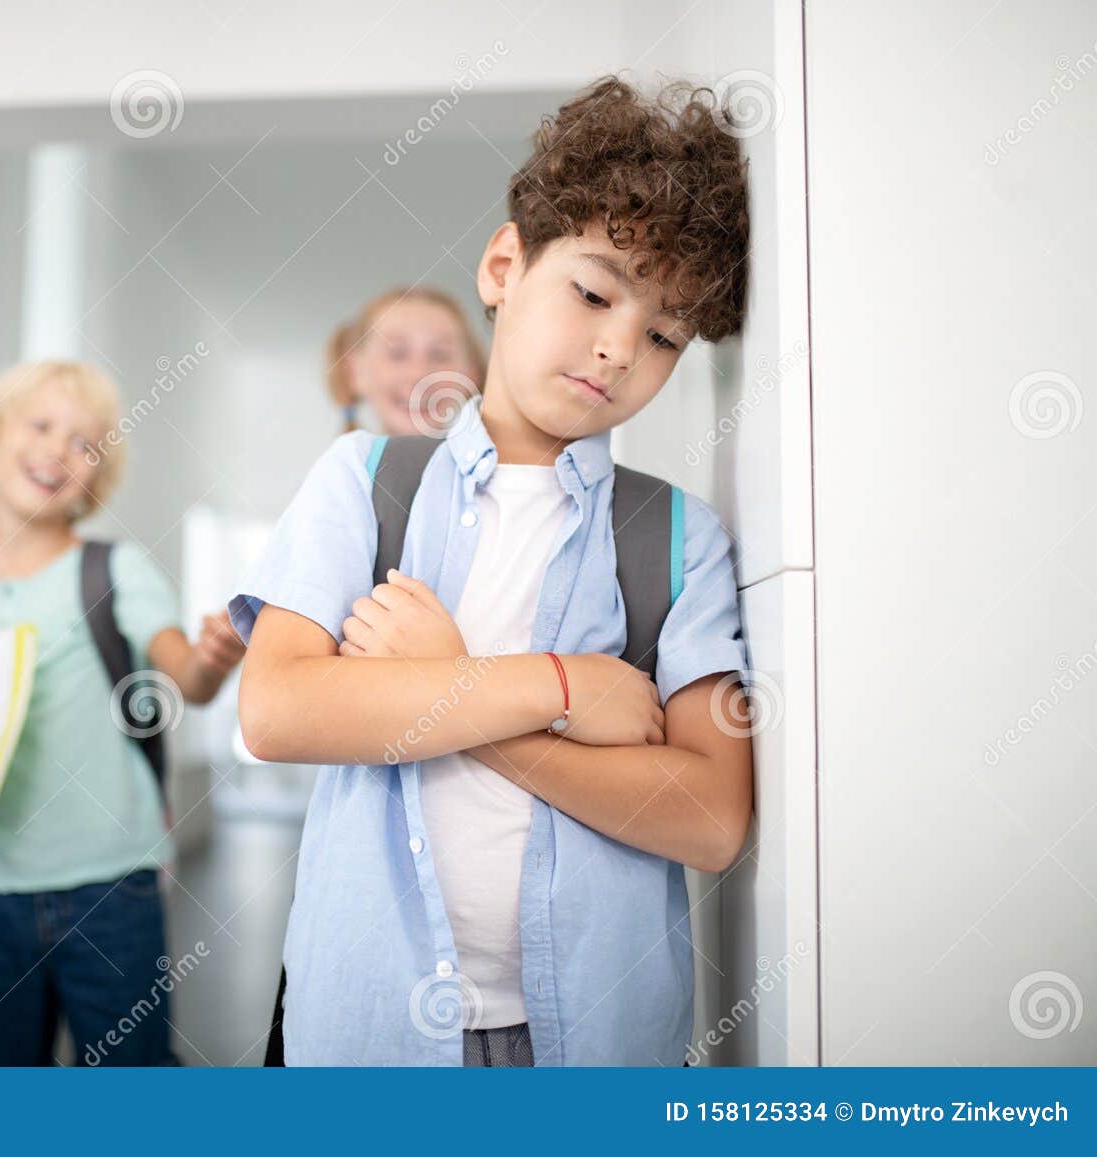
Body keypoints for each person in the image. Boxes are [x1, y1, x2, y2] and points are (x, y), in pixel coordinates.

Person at [230, 76, 754, 1066]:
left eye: (662, 334)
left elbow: (710, 815)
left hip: (594, 1045)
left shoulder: (678, 535)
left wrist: (455, 685)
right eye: (594, 291)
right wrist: (563, 687)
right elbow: (279, 712)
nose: (615, 347)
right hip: (367, 1033)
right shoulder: (365, 481)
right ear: (504, 264)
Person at [0, 360, 245, 1066]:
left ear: (95, 476)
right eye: (40, 426)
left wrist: (214, 657)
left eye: (85, 443)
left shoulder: (117, 570)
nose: (60, 449)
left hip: (113, 885)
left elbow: (187, 673)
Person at [324, 286, 485, 435]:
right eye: (398, 353)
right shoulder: (336, 464)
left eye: (440, 355)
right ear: (354, 372)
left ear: (472, 373)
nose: (419, 373)